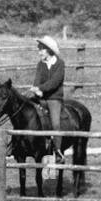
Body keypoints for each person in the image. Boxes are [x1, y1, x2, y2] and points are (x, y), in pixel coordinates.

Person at [28, 35, 66, 163]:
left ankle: (58, 151)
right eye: (39, 49)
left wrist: (40, 89)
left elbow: (55, 82)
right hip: (41, 97)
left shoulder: (60, 64)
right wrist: (35, 89)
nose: (39, 52)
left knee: (55, 124)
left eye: (41, 50)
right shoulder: (40, 64)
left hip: (54, 98)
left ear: (49, 50)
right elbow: (37, 79)